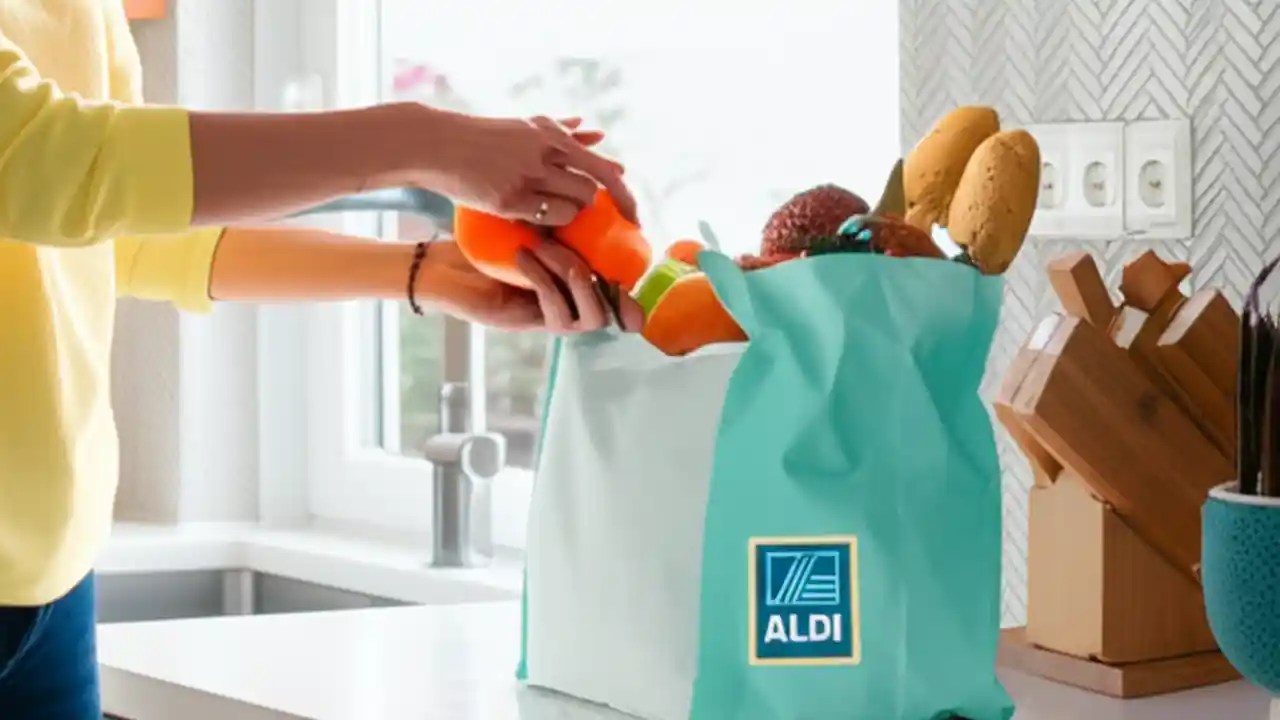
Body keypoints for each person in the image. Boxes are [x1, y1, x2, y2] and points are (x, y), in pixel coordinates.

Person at [0, 1, 645, 716]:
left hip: (52, 577)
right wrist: (424, 141)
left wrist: (430, 271)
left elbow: (126, 228)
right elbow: (48, 162)